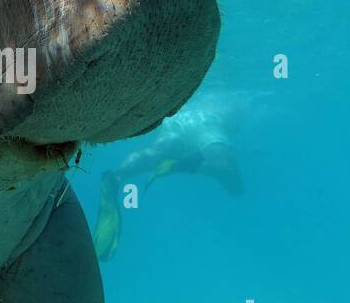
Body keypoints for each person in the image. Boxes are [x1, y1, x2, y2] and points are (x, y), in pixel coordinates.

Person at [93, 92, 248, 261]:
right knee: (230, 177)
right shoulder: (222, 118)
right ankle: (177, 165)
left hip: (176, 120)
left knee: (155, 153)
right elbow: (224, 158)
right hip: (201, 126)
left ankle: (116, 176)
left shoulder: (207, 107)